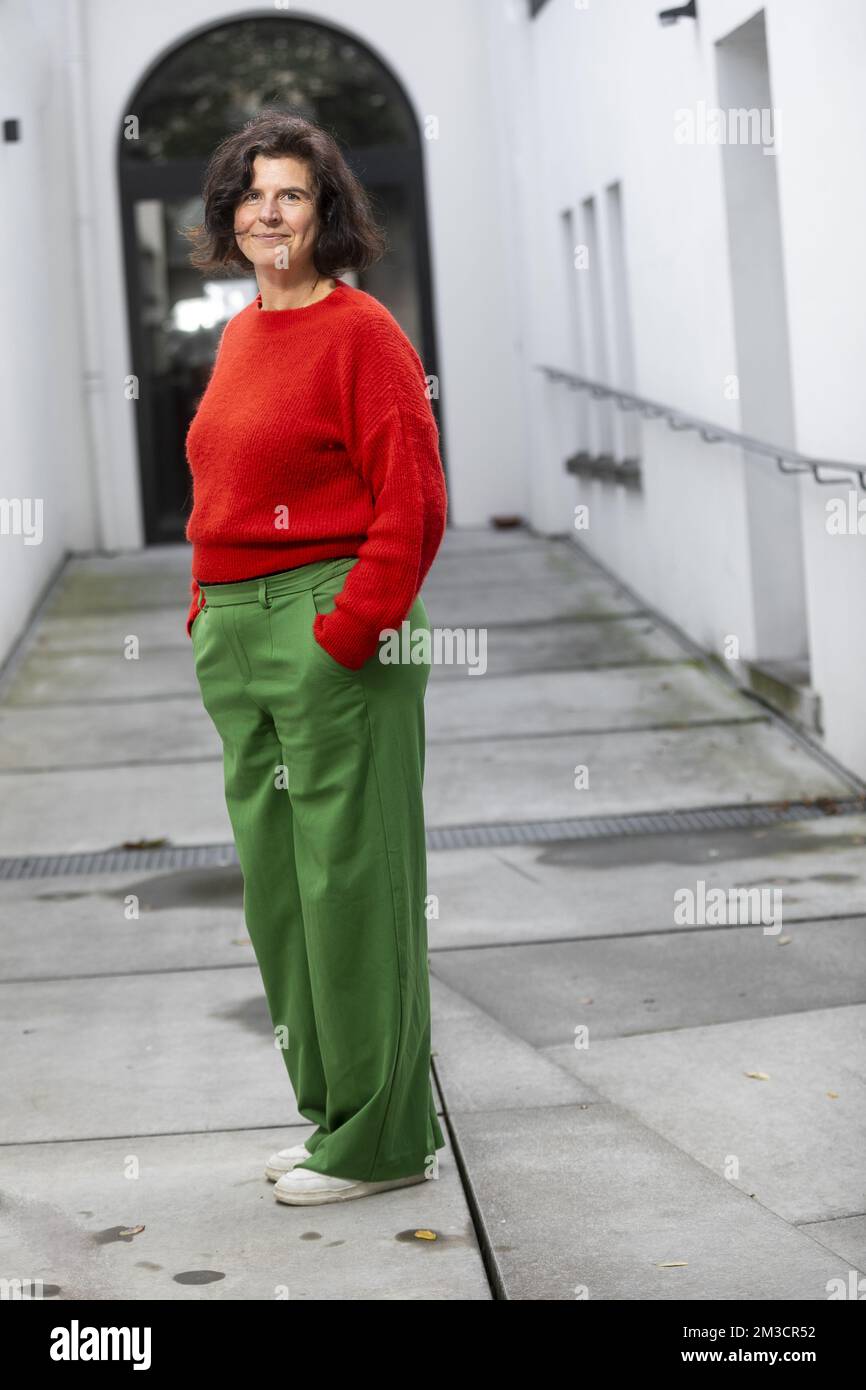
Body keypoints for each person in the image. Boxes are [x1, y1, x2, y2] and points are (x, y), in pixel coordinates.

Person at [182, 109, 448, 1207]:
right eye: (251, 196)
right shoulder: (242, 333)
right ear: (227, 217)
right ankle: (339, 1112)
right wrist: (205, 607)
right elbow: (218, 488)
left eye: (290, 193)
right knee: (282, 896)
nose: (268, 213)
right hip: (238, 634)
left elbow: (416, 501)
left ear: (325, 210)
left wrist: (346, 629)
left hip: (332, 624)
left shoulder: (361, 331)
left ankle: (384, 1140)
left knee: (354, 885)